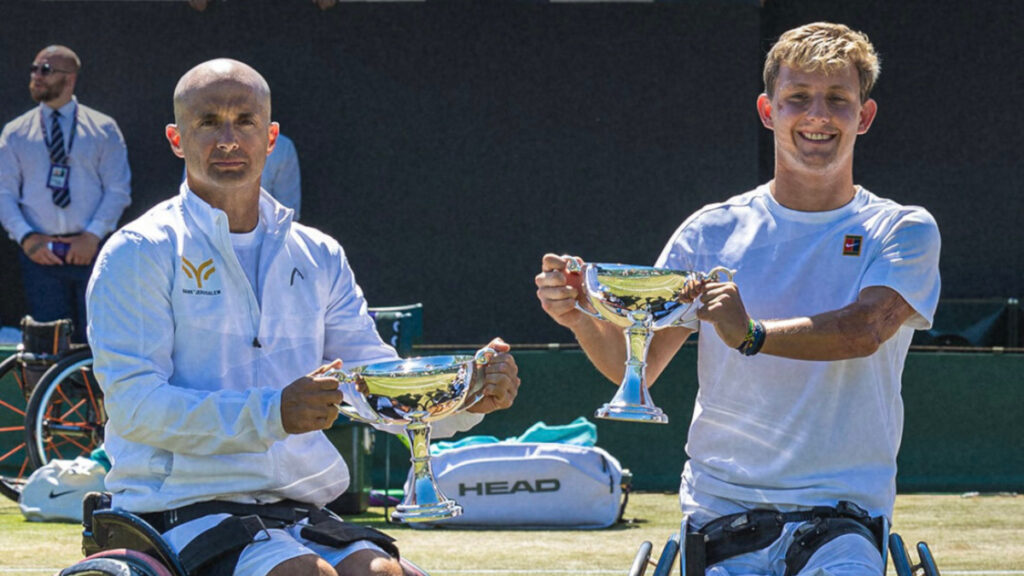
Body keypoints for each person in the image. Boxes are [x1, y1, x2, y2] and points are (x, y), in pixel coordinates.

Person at [87, 58, 520, 576]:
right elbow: (134, 406)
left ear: (270, 138)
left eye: (244, 120)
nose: (228, 138)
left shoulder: (318, 253)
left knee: (385, 574)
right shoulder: (139, 250)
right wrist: (274, 412)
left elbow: (374, 384)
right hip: (177, 511)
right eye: (207, 122)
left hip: (301, 513)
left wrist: (464, 399)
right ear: (176, 139)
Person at [536, 22, 940, 575]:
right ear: (768, 111)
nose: (817, 115)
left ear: (863, 116)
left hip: (845, 521)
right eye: (798, 98)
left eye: (837, 100)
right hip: (720, 514)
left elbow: (864, 329)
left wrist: (750, 334)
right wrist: (581, 316)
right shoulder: (708, 232)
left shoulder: (903, 228)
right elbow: (638, 366)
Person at [0, 45, 132, 343]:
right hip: (41, 257)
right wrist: (28, 239)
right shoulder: (16, 132)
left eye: (45, 70)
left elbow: (118, 189)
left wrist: (92, 236)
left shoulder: (103, 129)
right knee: (48, 347)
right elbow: (3, 193)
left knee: (98, 342)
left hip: (93, 253)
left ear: (70, 78)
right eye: (34, 69)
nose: (36, 77)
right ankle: (54, 393)